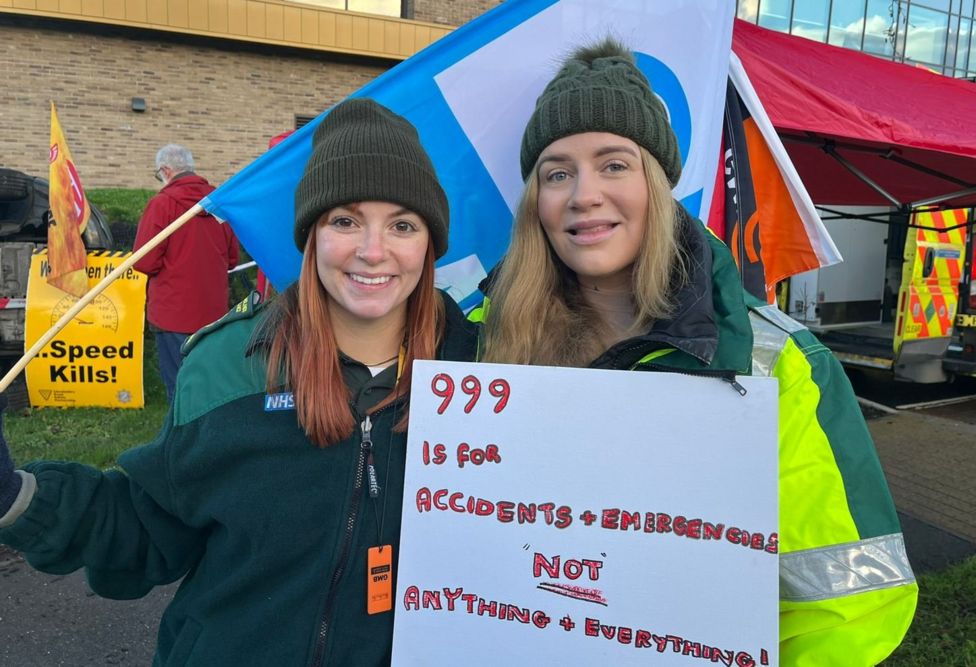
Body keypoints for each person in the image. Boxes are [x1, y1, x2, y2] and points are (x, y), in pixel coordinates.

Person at [472, 39, 918, 666]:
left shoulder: (780, 360)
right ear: (535, 202)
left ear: (659, 184)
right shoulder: (471, 337)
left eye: (615, 164)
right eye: (557, 173)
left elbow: (847, 604)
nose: (583, 194)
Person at [0, 98, 478, 664]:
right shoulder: (229, 362)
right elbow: (149, 522)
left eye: (402, 224)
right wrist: (16, 497)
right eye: (345, 221)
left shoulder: (482, 377)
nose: (373, 251)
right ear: (311, 236)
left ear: (430, 242)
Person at [133, 143, 240, 401]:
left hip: (173, 314)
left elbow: (144, 261)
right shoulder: (217, 203)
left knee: (179, 387)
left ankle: (181, 436)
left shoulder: (162, 204)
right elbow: (233, 259)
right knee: (209, 385)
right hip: (213, 314)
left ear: (166, 171)